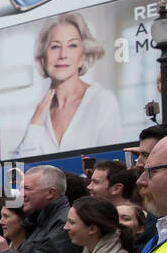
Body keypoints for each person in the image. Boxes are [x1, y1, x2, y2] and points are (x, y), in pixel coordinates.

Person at [9, 13, 121, 159]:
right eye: (55, 46)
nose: (63, 54)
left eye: (72, 45)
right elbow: (21, 170)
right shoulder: (39, 113)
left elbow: (112, 163)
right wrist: (34, 125)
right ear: (43, 59)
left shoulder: (102, 100)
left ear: (82, 57)